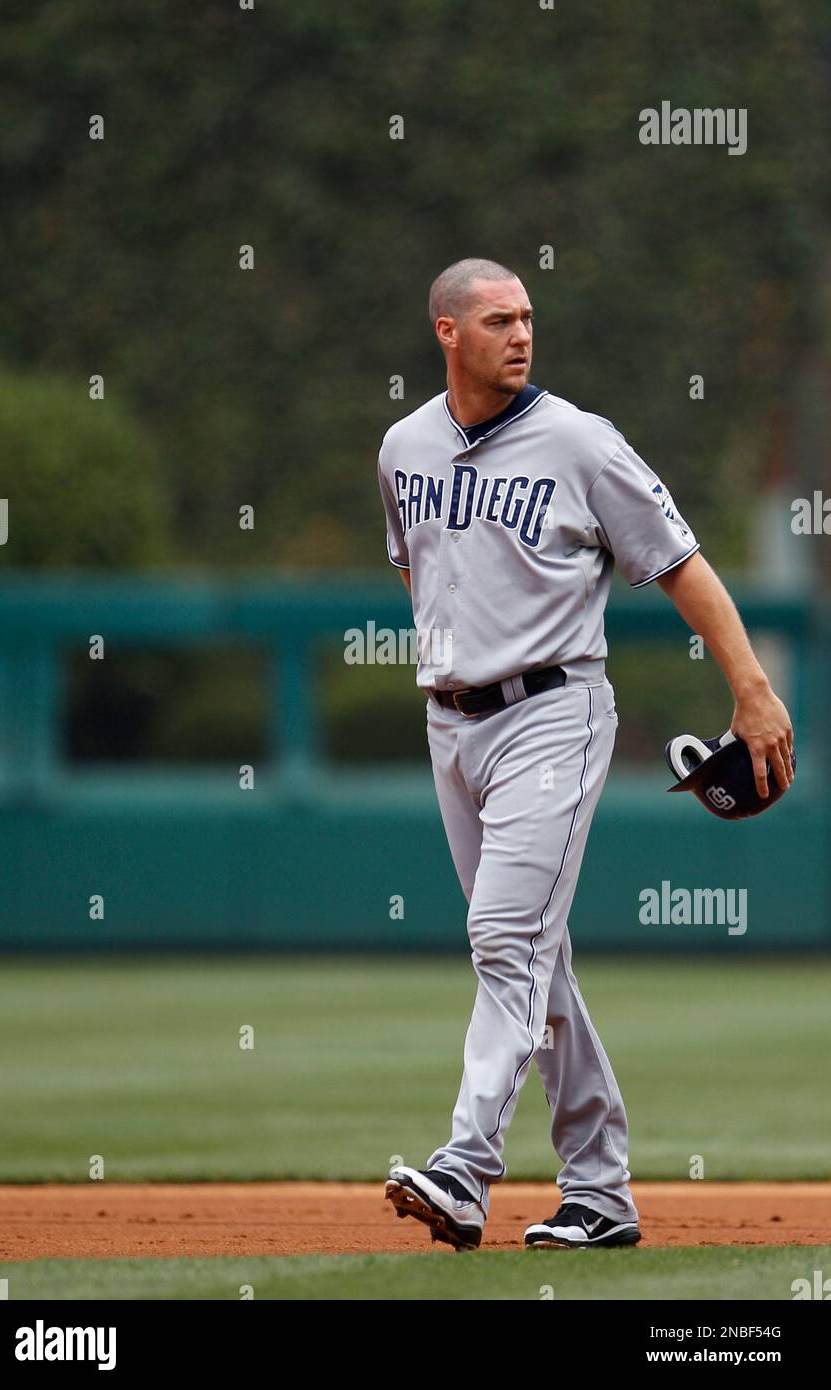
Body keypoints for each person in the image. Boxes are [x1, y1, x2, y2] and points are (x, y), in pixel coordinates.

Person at [377, 257, 794, 1251]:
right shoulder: (402, 445)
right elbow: (419, 572)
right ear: (445, 332)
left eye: (526, 317)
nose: (518, 335)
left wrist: (751, 687)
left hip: (552, 714)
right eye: (494, 320)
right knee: (532, 958)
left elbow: (680, 564)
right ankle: (599, 1191)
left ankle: (464, 1170)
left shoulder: (578, 442)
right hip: (450, 722)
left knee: (500, 941)